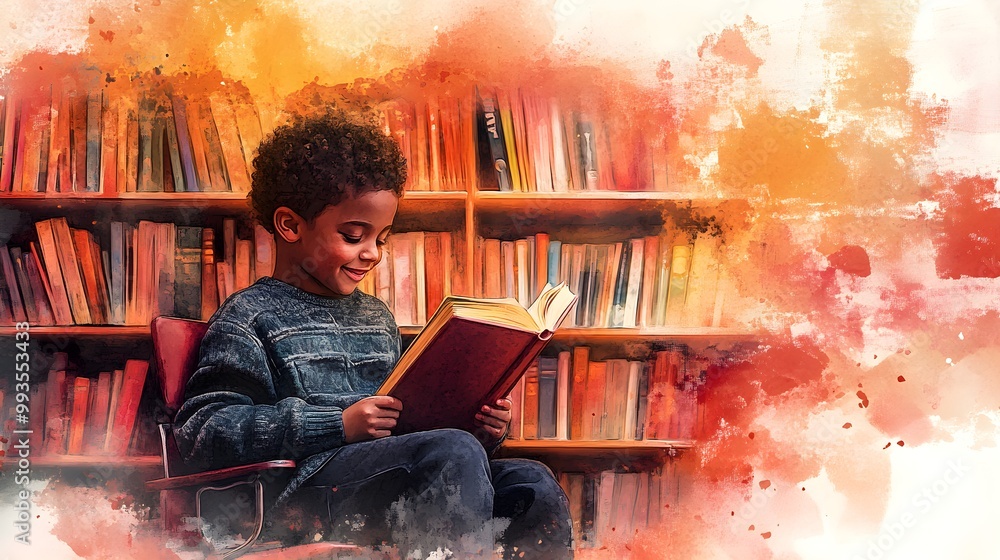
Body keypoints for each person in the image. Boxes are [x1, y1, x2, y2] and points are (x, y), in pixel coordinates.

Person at [172, 111, 574, 559]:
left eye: (382, 239)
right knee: (450, 453)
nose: (372, 254)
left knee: (530, 480)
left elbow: (409, 426)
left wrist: (481, 428)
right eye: (353, 235)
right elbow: (202, 432)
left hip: (383, 477)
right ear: (290, 226)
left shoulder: (377, 317)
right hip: (301, 494)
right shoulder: (249, 316)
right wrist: (337, 424)